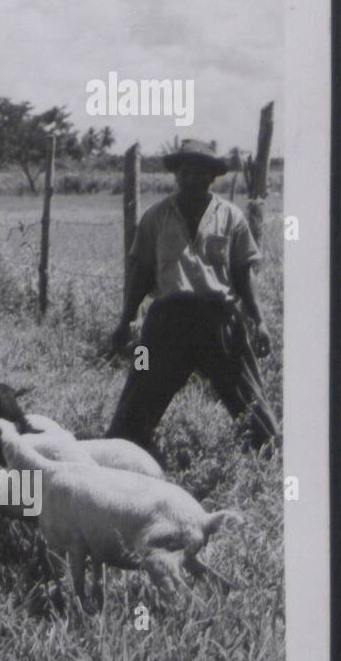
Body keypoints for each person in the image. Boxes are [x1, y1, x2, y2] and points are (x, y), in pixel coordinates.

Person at [107, 138, 278, 456]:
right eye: (186, 172)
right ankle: (126, 450)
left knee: (249, 394)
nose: (192, 179)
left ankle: (266, 452)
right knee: (140, 382)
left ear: (212, 177)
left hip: (220, 319)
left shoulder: (231, 217)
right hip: (164, 321)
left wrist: (260, 321)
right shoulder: (155, 217)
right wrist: (126, 319)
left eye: (201, 173)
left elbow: (243, 275)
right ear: (176, 175)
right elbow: (141, 273)